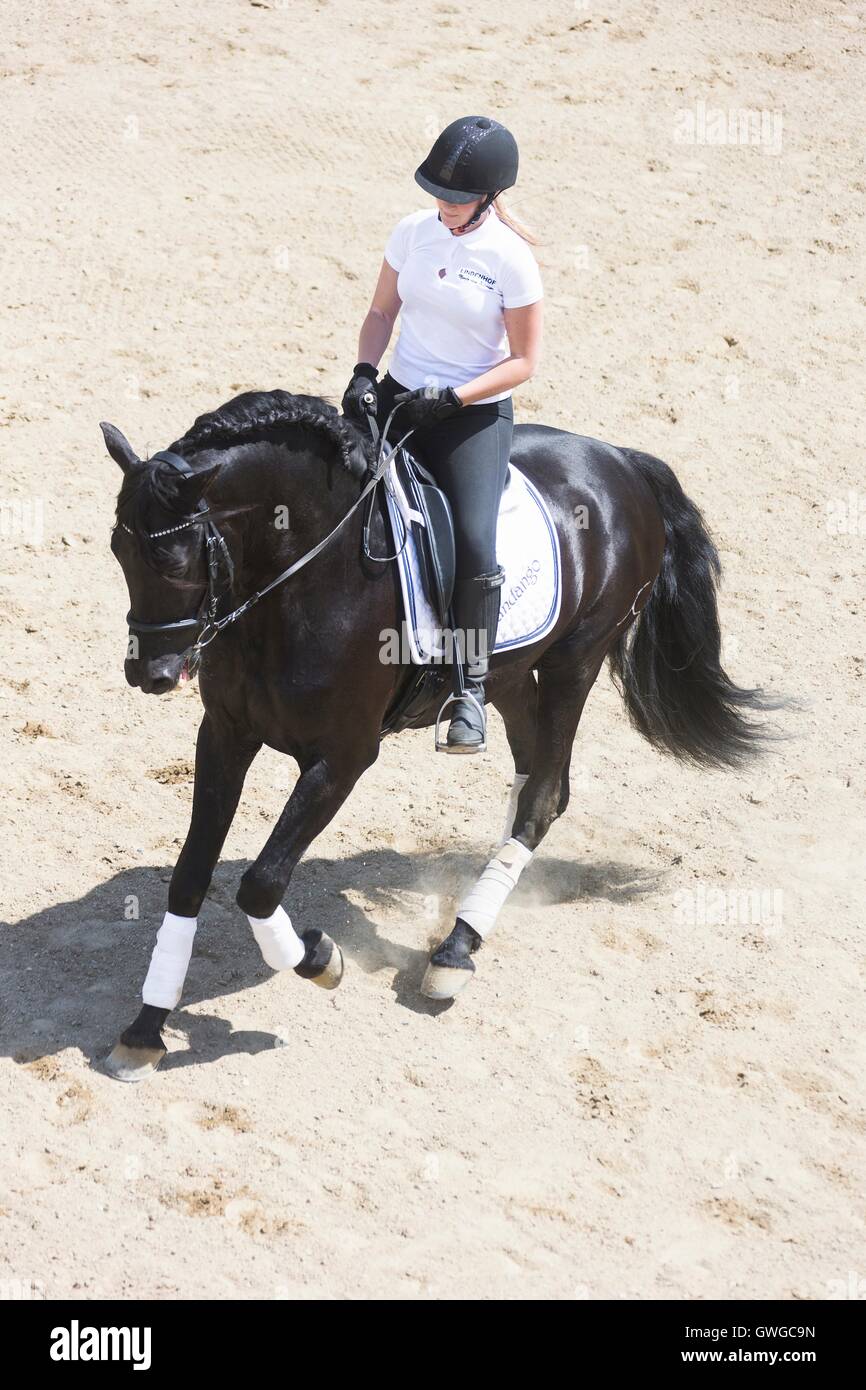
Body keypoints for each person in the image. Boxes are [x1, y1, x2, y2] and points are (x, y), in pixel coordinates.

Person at [342, 115, 544, 752]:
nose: (444, 206)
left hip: (472, 415)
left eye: (456, 199)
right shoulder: (412, 234)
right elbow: (380, 312)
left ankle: (470, 688)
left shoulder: (511, 261)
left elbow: (524, 362)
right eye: (438, 193)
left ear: (488, 198)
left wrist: (454, 396)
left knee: (476, 541)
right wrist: (364, 371)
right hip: (402, 396)